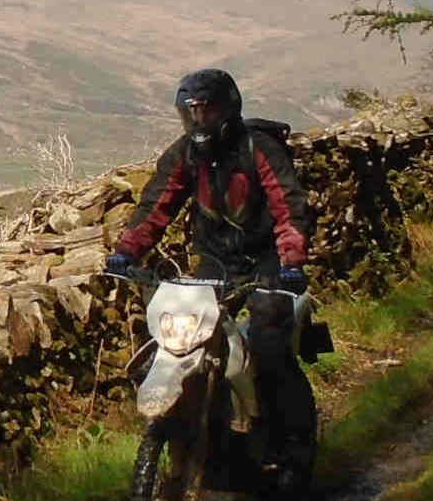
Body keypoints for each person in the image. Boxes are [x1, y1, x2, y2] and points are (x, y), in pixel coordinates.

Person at [104, 67, 319, 477]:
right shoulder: (184, 154)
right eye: (191, 114)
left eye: (206, 112)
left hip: (267, 262)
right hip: (214, 262)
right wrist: (127, 251)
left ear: (228, 110)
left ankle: (291, 443)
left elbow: (288, 206)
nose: (198, 122)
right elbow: (156, 205)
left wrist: (290, 261)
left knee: (270, 342)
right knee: (191, 342)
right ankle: (209, 432)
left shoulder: (260, 148)